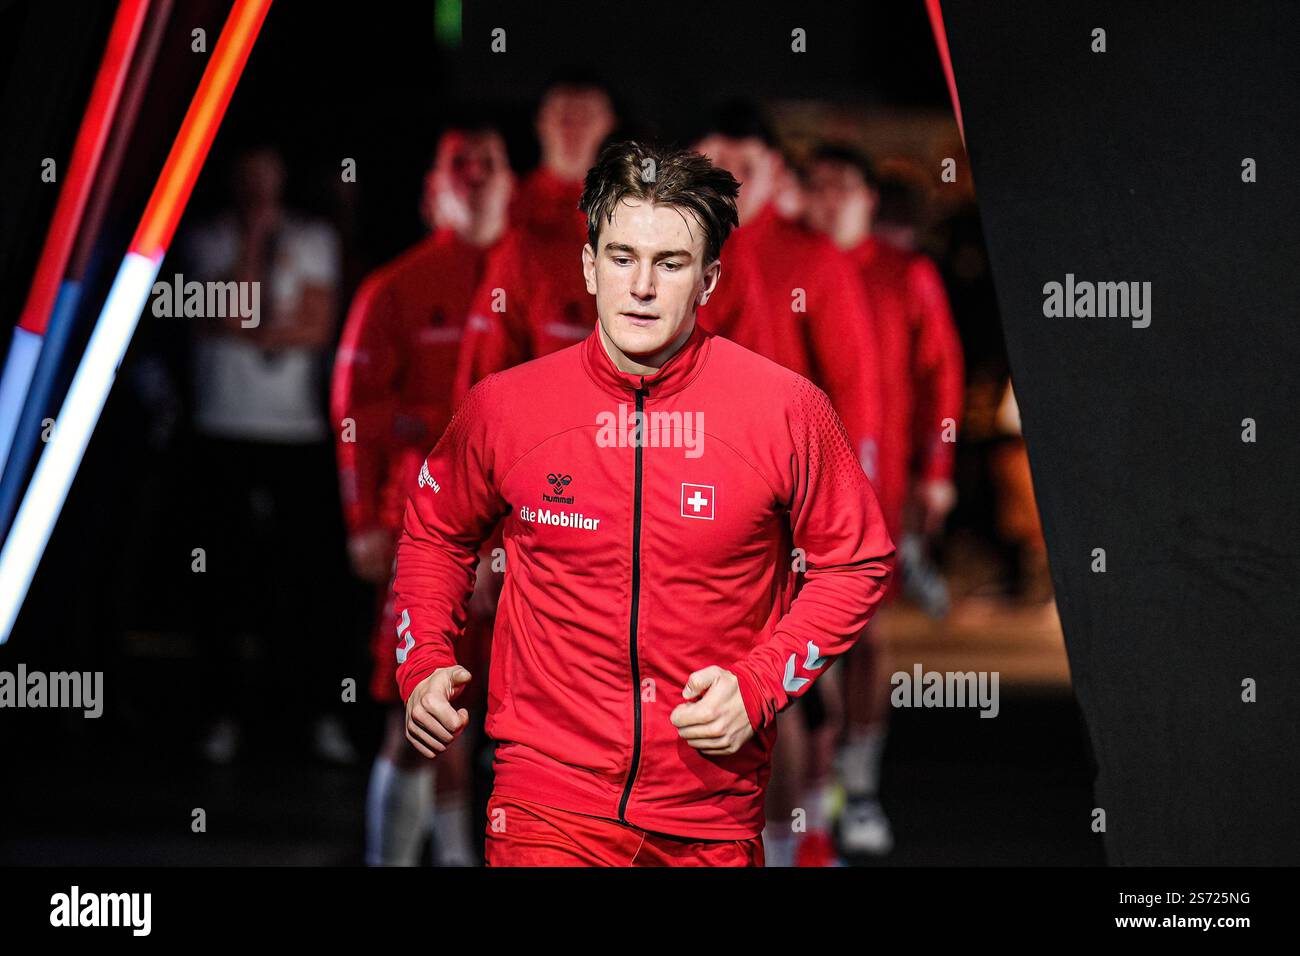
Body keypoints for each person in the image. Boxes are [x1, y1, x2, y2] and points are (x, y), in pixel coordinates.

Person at [393, 141, 894, 867]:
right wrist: (424, 660)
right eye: (622, 257)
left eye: (670, 263)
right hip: (545, 803)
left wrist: (760, 685)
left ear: (709, 279)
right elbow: (434, 533)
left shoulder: (786, 410)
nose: (642, 287)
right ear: (589, 267)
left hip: (710, 811)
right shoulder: (508, 407)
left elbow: (857, 561)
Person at [693, 105, 885, 867]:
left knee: (796, 680)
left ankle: (806, 833)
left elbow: (855, 391)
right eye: (713, 158)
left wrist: (839, 515)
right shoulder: (680, 247)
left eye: (743, 160)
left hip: (792, 507)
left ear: (775, 172)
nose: (729, 172)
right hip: (700, 506)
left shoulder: (815, 261)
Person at [332, 125, 513, 865]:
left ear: (511, 183)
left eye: (489, 165)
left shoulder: (540, 278)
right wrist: (360, 520)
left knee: (502, 716)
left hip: (525, 542)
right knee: (420, 709)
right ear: (433, 190)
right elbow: (353, 410)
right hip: (426, 538)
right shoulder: (397, 287)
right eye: (458, 166)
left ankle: (460, 851)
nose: (474, 178)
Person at [803, 142, 965, 856]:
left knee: (864, 635)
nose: (832, 199)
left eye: (847, 187)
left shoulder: (907, 275)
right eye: (821, 187)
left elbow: (942, 376)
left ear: (870, 200)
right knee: (800, 642)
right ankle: (813, 793)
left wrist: (937, 470)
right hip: (793, 489)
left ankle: (859, 785)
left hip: (879, 486)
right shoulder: (786, 264)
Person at [185, 144, 354, 768]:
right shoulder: (208, 238)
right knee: (221, 576)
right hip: (221, 425)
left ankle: (312, 715)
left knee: (306, 578)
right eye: (248, 171)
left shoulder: (313, 238)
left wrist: (252, 326)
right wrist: (253, 245)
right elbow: (215, 315)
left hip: (295, 431)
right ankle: (219, 715)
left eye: (269, 170)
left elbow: (315, 325)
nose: (259, 182)